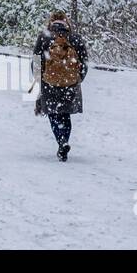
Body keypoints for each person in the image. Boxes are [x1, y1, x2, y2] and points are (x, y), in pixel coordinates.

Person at [32, 11, 88, 161]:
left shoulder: (45, 37)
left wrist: (39, 79)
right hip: (70, 84)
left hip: (49, 83)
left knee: (54, 114)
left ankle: (61, 142)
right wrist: (77, 79)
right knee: (65, 114)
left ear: (51, 22)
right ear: (66, 22)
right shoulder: (75, 38)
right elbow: (84, 62)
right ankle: (65, 141)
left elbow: (37, 60)